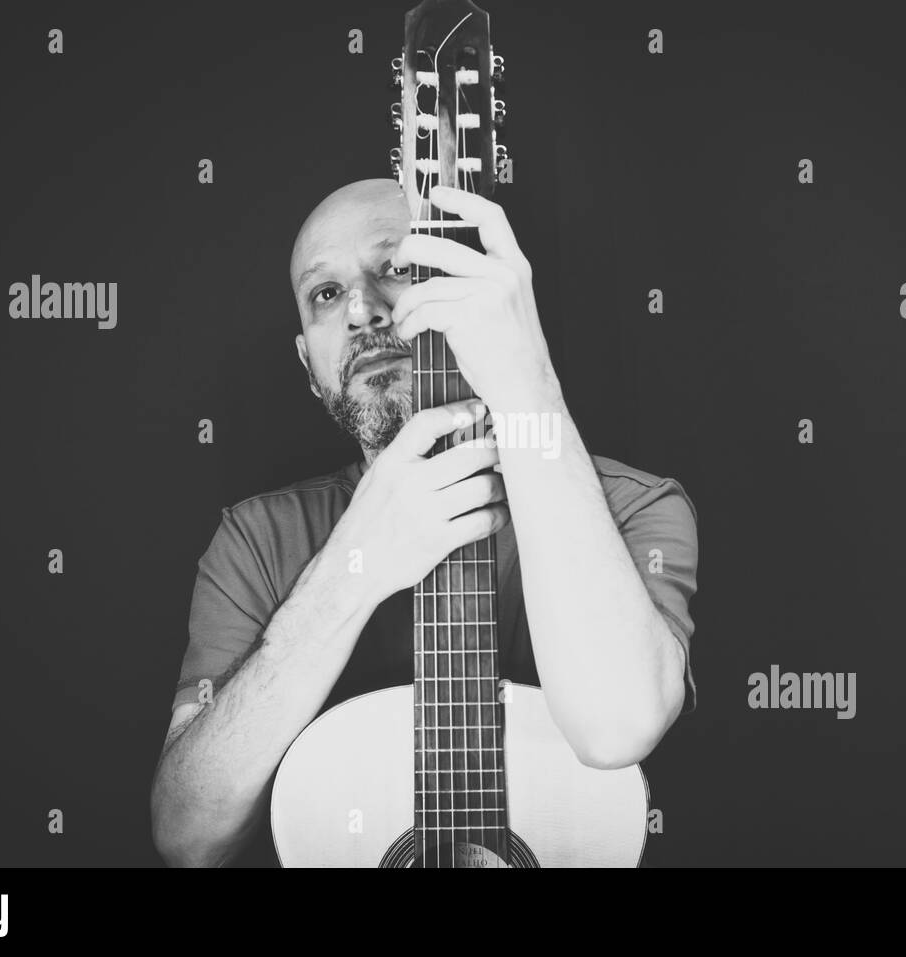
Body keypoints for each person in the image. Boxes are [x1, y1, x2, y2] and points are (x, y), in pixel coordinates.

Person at [150, 179, 699, 867]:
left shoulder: (634, 507)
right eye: (325, 293)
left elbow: (619, 726)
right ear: (306, 362)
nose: (361, 310)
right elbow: (187, 836)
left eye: (399, 268)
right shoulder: (255, 539)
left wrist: (528, 378)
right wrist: (352, 568)